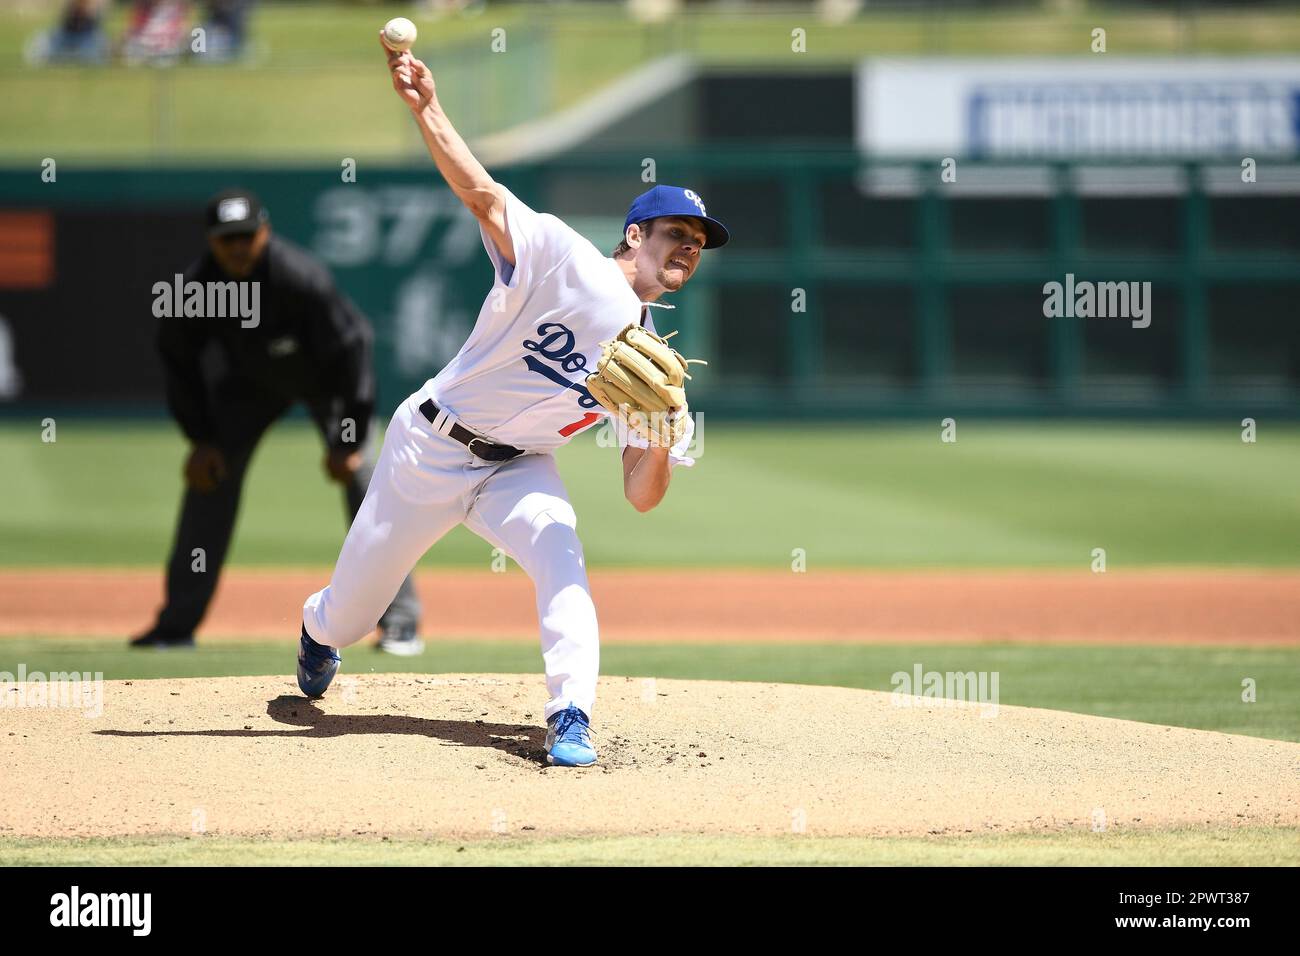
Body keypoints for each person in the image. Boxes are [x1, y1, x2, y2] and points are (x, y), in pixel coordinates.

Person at [293, 37, 730, 768]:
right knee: (352, 613)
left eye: (698, 243)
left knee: (564, 561)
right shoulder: (562, 257)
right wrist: (428, 108)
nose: (688, 249)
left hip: (518, 469)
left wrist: (656, 435)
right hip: (427, 446)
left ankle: (570, 717)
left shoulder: (654, 360)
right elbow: (483, 195)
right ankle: (316, 631)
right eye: (676, 235)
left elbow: (641, 496)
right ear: (634, 234)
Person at [132, 188, 423, 654]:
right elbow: (178, 360)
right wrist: (201, 438)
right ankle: (176, 626)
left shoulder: (298, 278)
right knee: (209, 478)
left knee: (367, 480)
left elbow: (353, 346)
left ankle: (401, 622)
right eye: (228, 239)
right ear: (211, 242)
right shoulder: (199, 289)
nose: (239, 247)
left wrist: (347, 436)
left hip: (326, 384)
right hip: (251, 386)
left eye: (247, 235)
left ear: (265, 232)